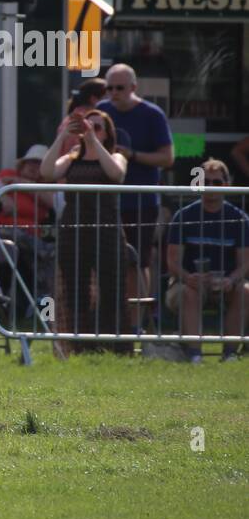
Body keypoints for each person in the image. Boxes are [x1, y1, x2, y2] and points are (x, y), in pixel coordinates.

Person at [41, 108, 128, 354]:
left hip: (107, 229)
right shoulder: (72, 157)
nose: (91, 130)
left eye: (98, 127)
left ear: (107, 133)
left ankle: (112, 346)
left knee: (111, 288)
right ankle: (79, 346)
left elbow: (116, 174)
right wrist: (63, 137)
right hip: (74, 229)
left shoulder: (117, 156)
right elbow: (47, 172)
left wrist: (94, 142)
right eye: (87, 126)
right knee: (76, 289)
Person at [98, 63, 174, 329]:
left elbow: (167, 158)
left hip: (140, 201)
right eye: (109, 88)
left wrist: (133, 156)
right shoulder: (102, 112)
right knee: (105, 261)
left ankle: (139, 321)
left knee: (139, 260)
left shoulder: (152, 114)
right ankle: (107, 320)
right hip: (105, 201)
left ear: (133, 87)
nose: (114, 93)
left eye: (119, 88)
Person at [163, 158, 248, 362]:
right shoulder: (183, 216)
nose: (210, 186)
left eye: (217, 182)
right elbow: (172, 262)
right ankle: (195, 356)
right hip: (186, 284)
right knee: (188, 292)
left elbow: (245, 263)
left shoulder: (240, 219)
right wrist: (188, 277)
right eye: (205, 181)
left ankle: (229, 355)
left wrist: (231, 280)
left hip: (225, 285)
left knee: (245, 291)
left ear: (227, 184)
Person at [0, 145, 57, 316]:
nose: (34, 167)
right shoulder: (7, 174)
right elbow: (0, 197)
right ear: (23, 164)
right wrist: (7, 195)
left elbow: (52, 203)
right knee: (47, 255)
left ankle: (46, 314)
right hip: (4, 232)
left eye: (39, 164)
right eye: (31, 162)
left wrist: (23, 184)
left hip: (31, 238)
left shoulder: (45, 187)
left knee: (51, 261)